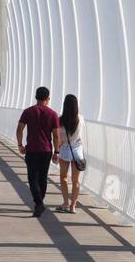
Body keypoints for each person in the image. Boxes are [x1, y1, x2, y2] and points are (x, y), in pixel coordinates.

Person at [16, 86, 60, 217]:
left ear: (36, 97)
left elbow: (19, 129)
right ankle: (39, 204)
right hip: (46, 150)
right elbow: (56, 135)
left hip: (32, 150)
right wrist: (56, 152)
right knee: (43, 178)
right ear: (48, 98)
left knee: (32, 179)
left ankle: (39, 204)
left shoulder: (28, 112)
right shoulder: (53, 114)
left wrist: (20, 144)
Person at [57, 93, 84, 213]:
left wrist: (56, 150)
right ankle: (73, 206)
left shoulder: (60, 120)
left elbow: (59, 138)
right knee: (76, 180)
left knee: (63, 177)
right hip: (77, 152)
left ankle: (65, 203)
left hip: (64, 151)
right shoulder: (80, 119)